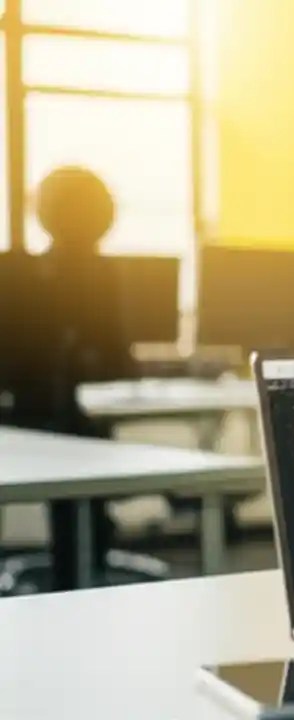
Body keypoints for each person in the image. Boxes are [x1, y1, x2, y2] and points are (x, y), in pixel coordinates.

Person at [0, 166, 135, 591]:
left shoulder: (23, 271)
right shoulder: (94, 275)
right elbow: (117, 360)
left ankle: (78, 565)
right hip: (59, 417)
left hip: (36, 414)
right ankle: (81, 565)